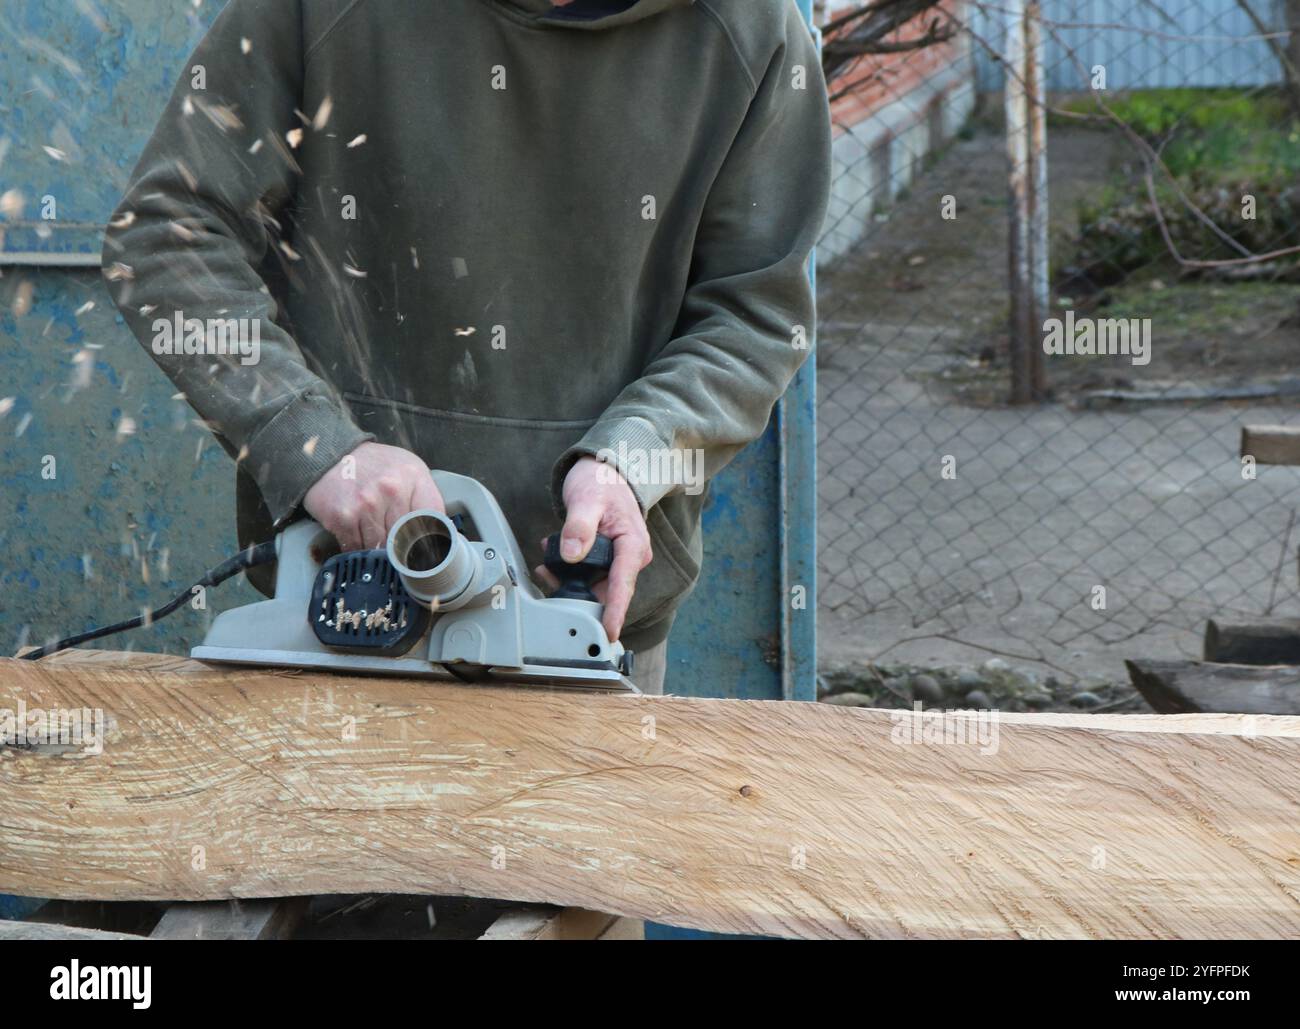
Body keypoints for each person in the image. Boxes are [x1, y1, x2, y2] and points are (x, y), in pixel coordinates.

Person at [103, 0, 832, 694]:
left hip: (580, 613)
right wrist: (311, 443)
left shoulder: (752, 31)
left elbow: (754, 317)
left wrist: (632, 459)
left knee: (573, 828)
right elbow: (165, 232)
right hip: (344, 588)